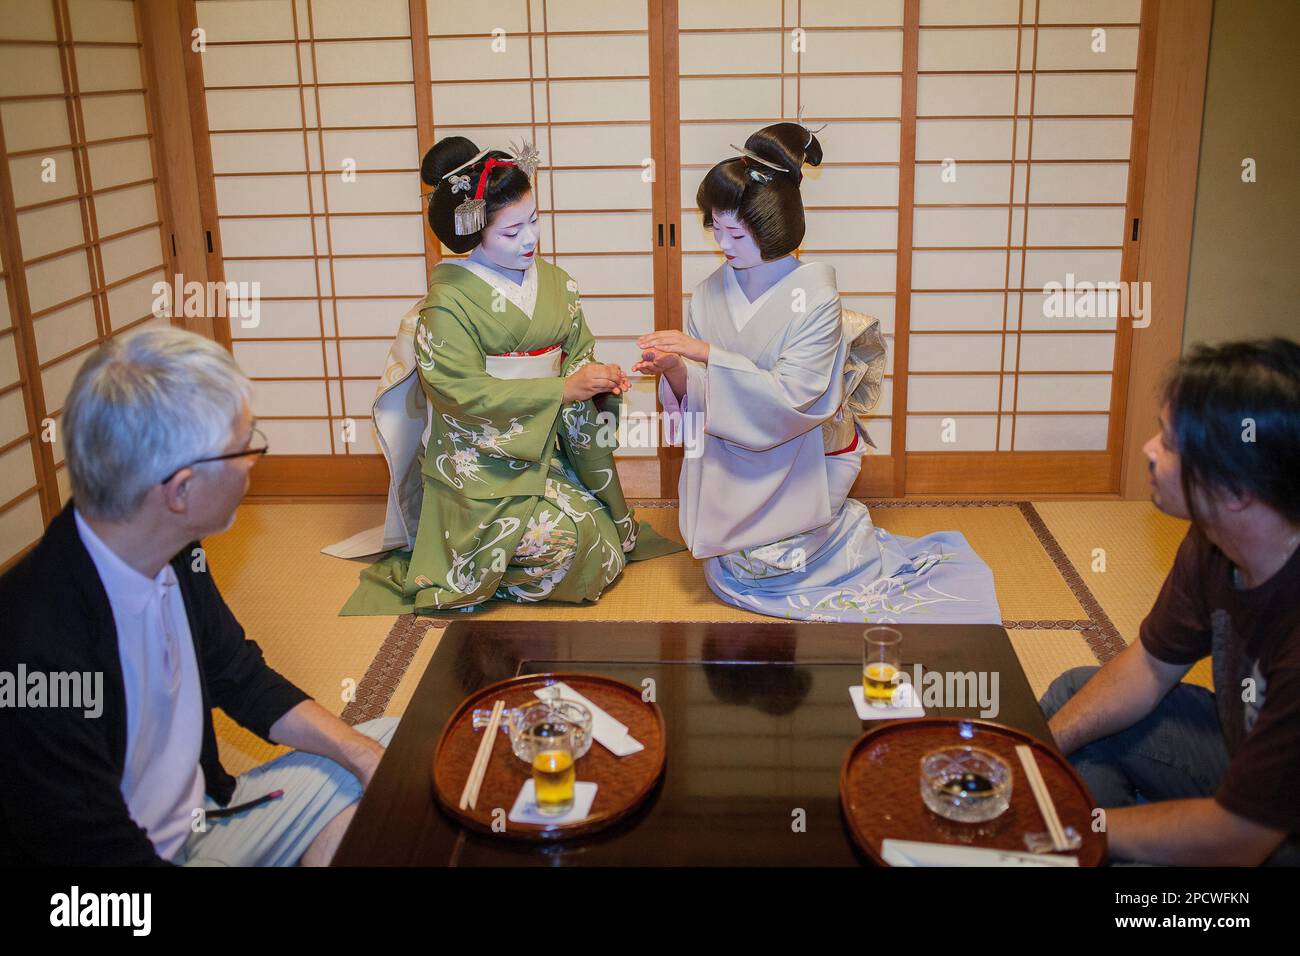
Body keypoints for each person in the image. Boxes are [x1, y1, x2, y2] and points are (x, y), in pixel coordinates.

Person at [0, 328, 396, 866]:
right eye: (243, 446)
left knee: (394, 747)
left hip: (208, 817)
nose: (255, 459)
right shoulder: (35, 655)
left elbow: (240, 677)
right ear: (181, 490)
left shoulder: (175, 549)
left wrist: (362, 754)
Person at [632, 122, 1001, 624]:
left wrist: (707, 354)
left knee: (767, 566)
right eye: (714, 227)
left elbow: (794, 396)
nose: (722, 242)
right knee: (736, 566)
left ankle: (843, 532)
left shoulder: (816, 294)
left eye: (735, 232)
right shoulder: (707, 294)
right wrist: (676, 369)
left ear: (774, 228)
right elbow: (701, 396)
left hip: (803, 455)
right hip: (730, 460)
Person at [338, 137, 681, 616]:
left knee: (602, 540)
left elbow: (576, 351)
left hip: (541, 451)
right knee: (565, 545)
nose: (530, 239)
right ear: (471, 233)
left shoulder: (558, 285)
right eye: (512, 229)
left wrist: (594, 380)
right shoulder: (447, 305)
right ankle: (475, 567)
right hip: (479, 465)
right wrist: (561, 389)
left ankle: (521, 550)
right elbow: (459, 392)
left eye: (534, 220)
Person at [1040, 338, 1300, 865]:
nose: (1149, 449)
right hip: (1244, 749)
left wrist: (1075, 827)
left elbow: (1241, 835)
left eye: (1171, 442)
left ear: (1236, 489)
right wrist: (1032, 751)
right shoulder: (1214, 537)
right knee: (1076, 701)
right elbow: (1148, 670)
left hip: (1272, 829)